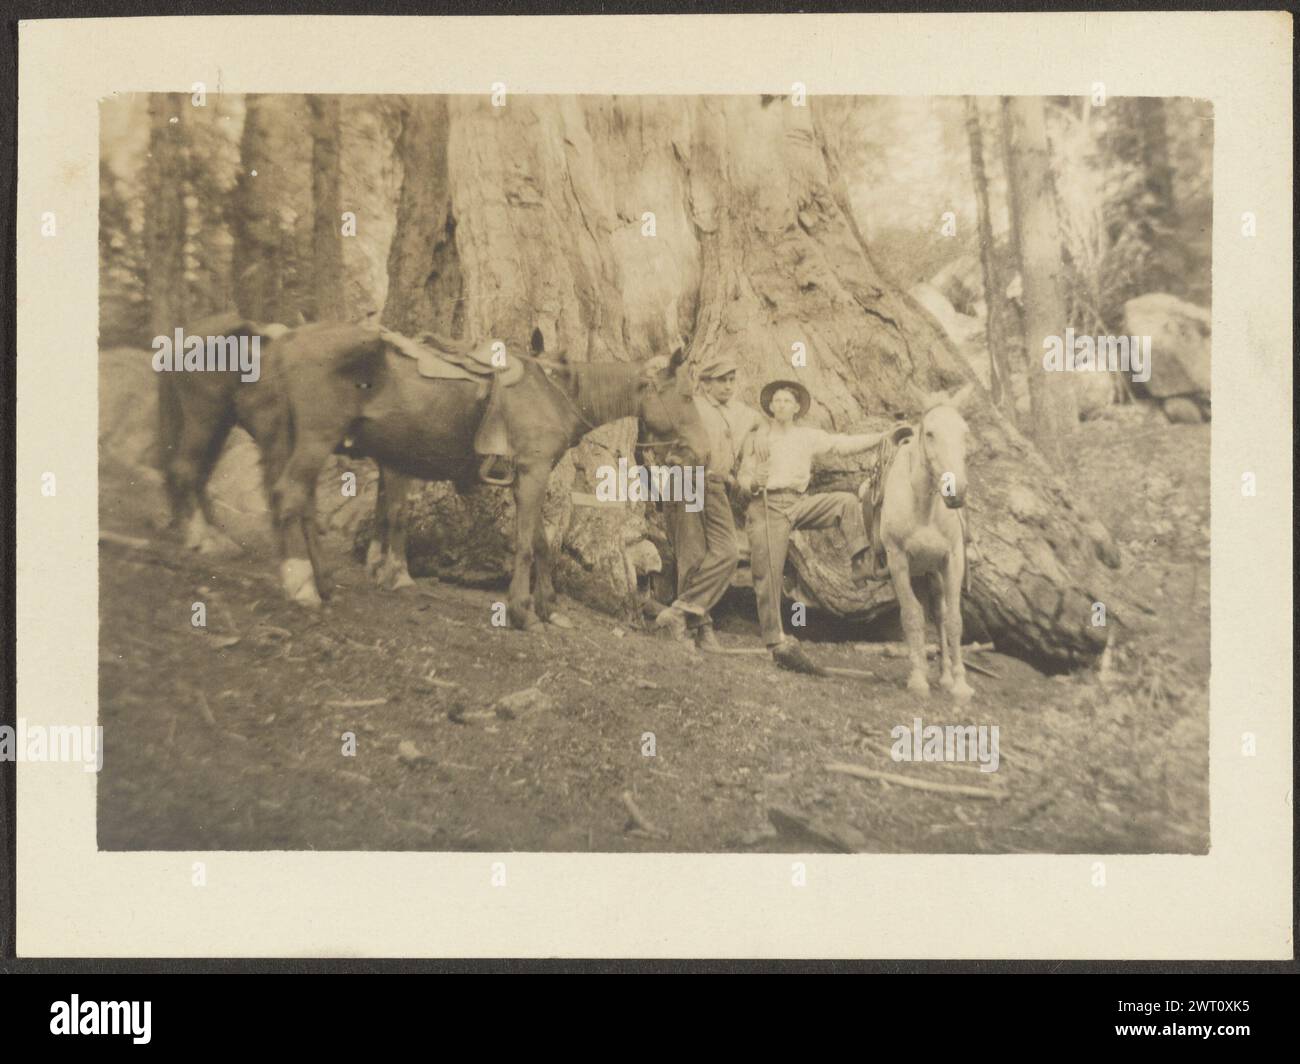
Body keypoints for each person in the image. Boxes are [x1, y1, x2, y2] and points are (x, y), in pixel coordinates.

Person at [739, 379, 886, 671]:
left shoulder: (807, 436)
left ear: (796, 408)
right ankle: (775, 640)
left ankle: (860, 562)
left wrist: (882, 437)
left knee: (844, 502)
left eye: (786, 401)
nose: (780, 405)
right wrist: (754, 482)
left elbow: (842, 445)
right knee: (767, 574)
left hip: (797, 502)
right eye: (776, 401)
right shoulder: (758, 438)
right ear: (770, 407)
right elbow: (743, 479)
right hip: (767, 508)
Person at [655, 354, 760, 649]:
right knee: (692, 554)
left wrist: (739, 471)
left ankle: (678, 611)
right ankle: (699, 628)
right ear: (705, 383)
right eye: (721, 381)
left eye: (731, 381)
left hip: (714, 484)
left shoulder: (736, 412)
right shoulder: (693, 406)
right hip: (687, 479)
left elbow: (760, 424)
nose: (728, 386)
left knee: (727, 552)